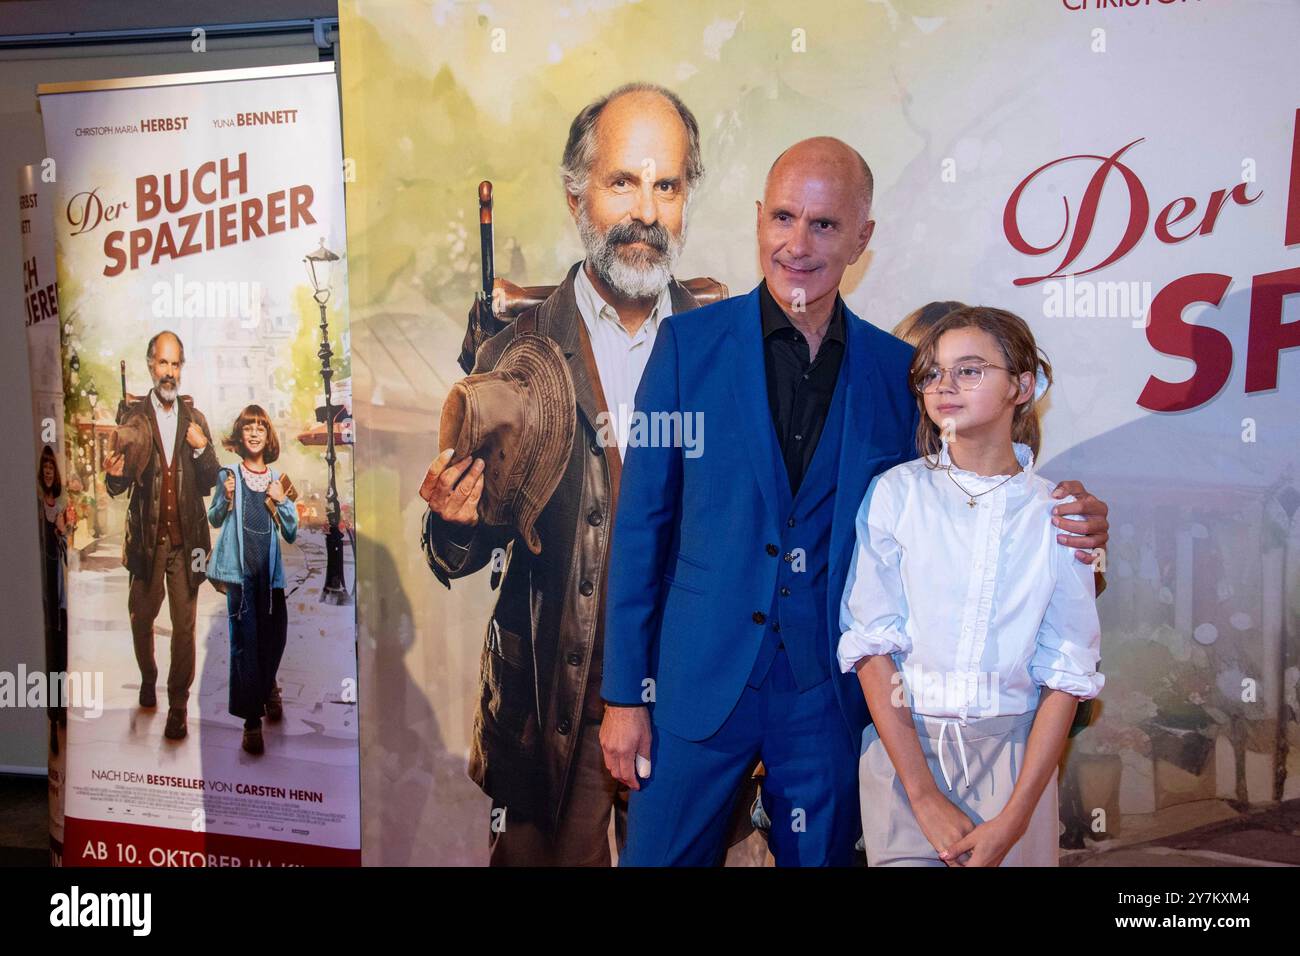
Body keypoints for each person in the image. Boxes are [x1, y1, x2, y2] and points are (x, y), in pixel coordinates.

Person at [600, 137, 1111, 866]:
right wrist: (625, 696)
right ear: (758, 220)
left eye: (824, 225)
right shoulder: (686, 348)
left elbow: (964, 504)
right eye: (783, 218)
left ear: (862, 237)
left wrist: (1076, 520)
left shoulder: (898, 372)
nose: (797, 244)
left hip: (828, 702)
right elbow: (639, 531)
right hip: (695, 688)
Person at [419, 83, 723, 865]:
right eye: (624, 181)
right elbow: (461, 550)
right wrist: (452, 522)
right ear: (576, 194)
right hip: (556, 702)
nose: (648, 213)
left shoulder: (725, 346)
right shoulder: (516, 351)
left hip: (692, 701)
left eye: (669, 186)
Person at [839, 306, 1104, 866]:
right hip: (904, 755)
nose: (945, 386)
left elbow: (1066, 672)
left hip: (1016, 764)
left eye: (970, 369)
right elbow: (871, 646)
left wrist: (1015, 818)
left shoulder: (1058, 513)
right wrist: (923, 794)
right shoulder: (895, 494)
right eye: (932, 372)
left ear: (1022, 386)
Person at [104, 331, 219, 741]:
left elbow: (212, 481)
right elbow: (117, 483)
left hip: (187, 544)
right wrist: (114, 477)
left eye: (176, 365)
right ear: (151, 364)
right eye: (163, 363)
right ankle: (148, 675)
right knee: (140, 617)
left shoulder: (195, 420)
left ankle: (179, 706)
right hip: (147, 542)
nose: (169, 372)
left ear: (180, 368)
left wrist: (203, 447)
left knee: (184, 627)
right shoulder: (134, 418)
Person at [206, 405, 298, 756]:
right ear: (240, 436)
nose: (255, 432)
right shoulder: (228, 474)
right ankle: (251, 723)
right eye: (249, 427)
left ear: (268, 436)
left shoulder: (277, 480)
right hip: (240, 578)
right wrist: (227, 498)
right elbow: (214, 518)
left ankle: (269, 684)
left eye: (261, 426)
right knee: (245, 647)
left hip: (270, 579)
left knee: (275, 639)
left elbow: (290, 532)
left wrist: (281, 501)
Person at [38, 446, 75, 754]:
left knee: (62, 652)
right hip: (46, 589)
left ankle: (62, 709)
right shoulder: (38, 507)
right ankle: (51, 719)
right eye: (45, 470)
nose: (49, 474)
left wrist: (64, 530)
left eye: (52, 470)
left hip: (60, 588)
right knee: (49, 654)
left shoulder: (60, 505)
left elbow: (66, 543)